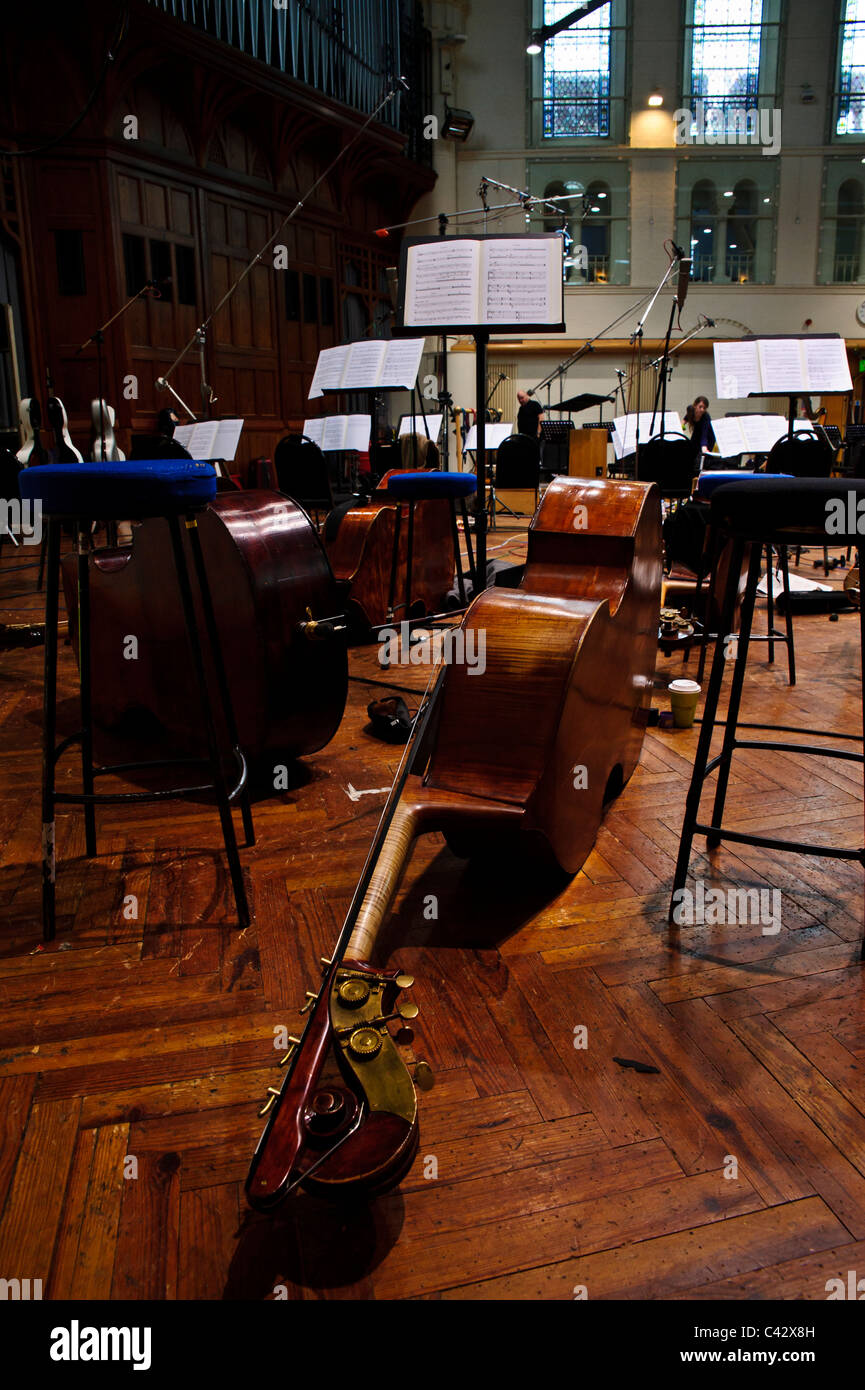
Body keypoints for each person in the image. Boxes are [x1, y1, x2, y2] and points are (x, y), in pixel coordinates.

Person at [684, 395, 715, 466]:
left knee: (702, 457)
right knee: (690, 450)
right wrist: (681, 427)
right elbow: (685, 420)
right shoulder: (690, 410)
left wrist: (704, 446)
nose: (702, 410)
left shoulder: (706, 417)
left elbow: (704, 434)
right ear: (695, 405)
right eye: (700, 407)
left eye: (704, 408)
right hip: (697, 432)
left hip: (708, 436)